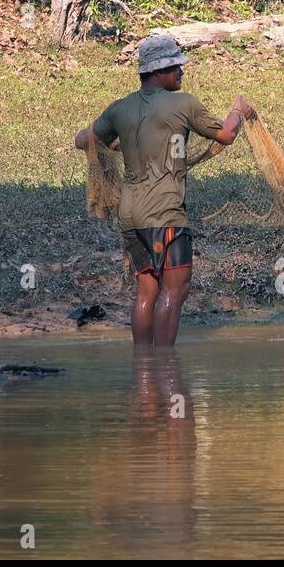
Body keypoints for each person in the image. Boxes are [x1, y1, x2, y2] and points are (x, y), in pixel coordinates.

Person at [75, 34, 253, 346]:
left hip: (130, 216)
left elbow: (83, 140)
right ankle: (163, 364)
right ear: (158, 72)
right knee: (175, 289)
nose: (181, 72)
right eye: (175, 67)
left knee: (146, 293)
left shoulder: (120, 109)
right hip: (166, 213)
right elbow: (225, 135)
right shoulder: (183, 103)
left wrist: (119, 138)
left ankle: (143, 367)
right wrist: (238, 110)